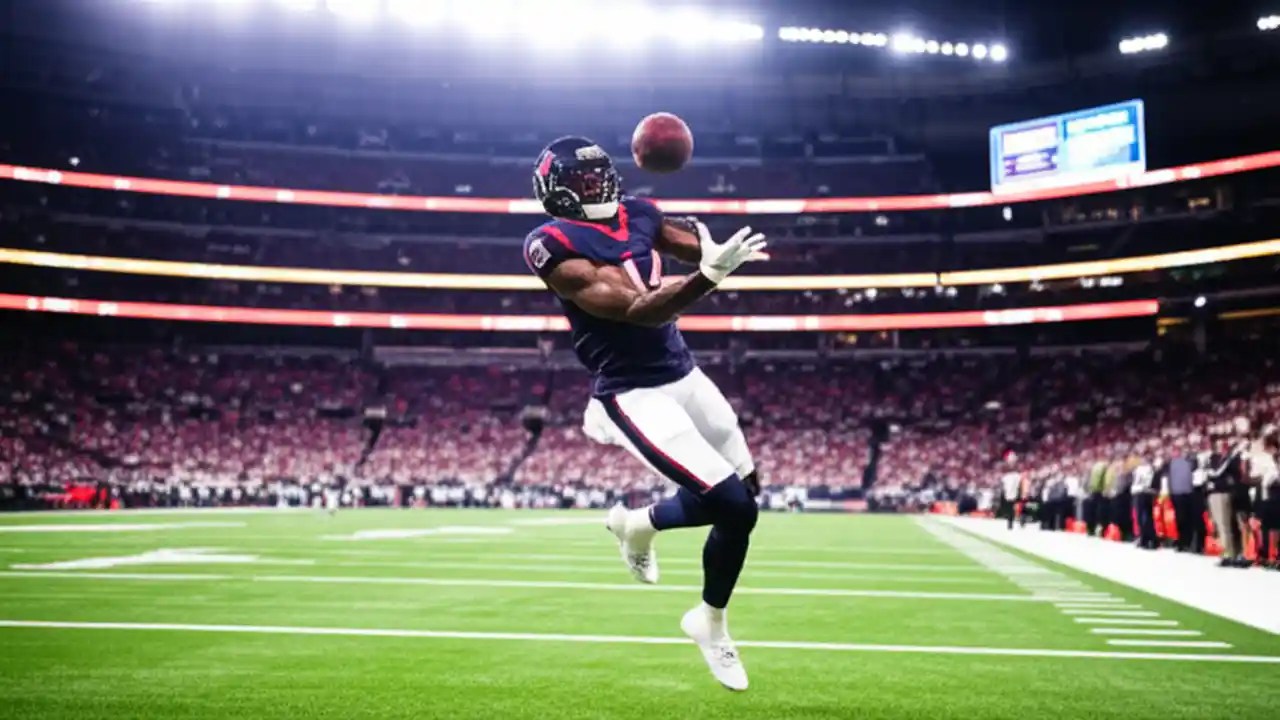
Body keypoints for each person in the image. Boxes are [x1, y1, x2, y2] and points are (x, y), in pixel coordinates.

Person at [522, 137, 766, 691]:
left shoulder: (639, 211)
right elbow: (634, 309)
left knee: (746, 494)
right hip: (631, 393)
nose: (599, 188)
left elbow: (685, 240)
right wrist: (708, 276)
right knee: (732, 507)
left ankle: (636, 524)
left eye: (600, 175)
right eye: (584, 183)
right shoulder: (551, 244)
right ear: (556, 193)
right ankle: (710, 622)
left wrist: (709, 244)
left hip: (684, 374)